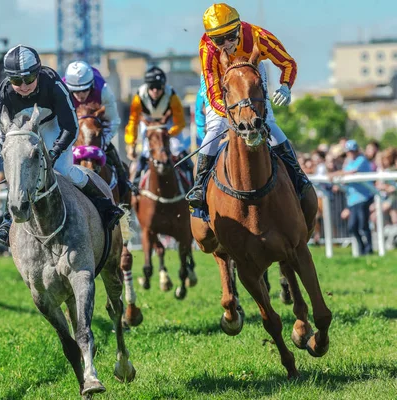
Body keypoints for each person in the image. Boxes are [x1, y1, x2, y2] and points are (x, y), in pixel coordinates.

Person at [0, 45, 125, 247]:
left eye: (28, 79)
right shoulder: (2, 97)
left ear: (37, 72)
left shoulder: (53, 85)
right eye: (17, 81)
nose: (24, 86)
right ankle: (7, 221)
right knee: (18, 175)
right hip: (22, 133)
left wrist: (54, 152)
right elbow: (4, 138)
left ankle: (104, 205)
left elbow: (71, 127)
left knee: (65, 170)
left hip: (53, 127)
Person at [186, 3, 311, 209]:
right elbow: (213, 90)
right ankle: (199, 186)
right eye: (219, 40)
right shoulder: (206, 48)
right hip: (220, 78)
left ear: (239, 28)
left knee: (269, 123)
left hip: (252, 71)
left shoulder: (258, 36)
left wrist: (286, 86)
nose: (226, 44)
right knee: (215, 128)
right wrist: (233, 115)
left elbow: (287, 63)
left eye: (231, 37)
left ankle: (298, 176)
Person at [63, 60, 130, 197]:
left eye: (85, 90)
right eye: (75, 91)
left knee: (117, 162)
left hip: (96, 133)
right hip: (71, 135)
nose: (80, 95)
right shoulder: (61, 92)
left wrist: (101, 143)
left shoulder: (104, 90)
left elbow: (113, 121)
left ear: (92, 86)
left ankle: (124, 186)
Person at [124, 66, 190, 190]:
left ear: (164, 86)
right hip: (147, 123)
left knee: (178, 149)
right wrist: (131, 144)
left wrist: (168, 134)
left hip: (168, 124)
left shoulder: (172, 96)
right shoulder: (139, 97)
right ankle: (134, 187)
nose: (155, 90)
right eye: (152, 87)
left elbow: (180, 122)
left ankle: (192, 182)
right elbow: (133, 121)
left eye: (159, 87)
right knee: (143, 152)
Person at [329, 140, 375, 255]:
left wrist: (334, 175)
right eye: (349, 152)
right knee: (352, 227)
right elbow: (346, 173)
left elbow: (350, 172)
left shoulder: (362, 160)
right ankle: (362, 248)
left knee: (363, 226)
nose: (351, 154)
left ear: (357, 150)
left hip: (363, 197)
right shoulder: (349, 161)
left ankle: (369, 249)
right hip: (353, 199)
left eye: (353, 151)